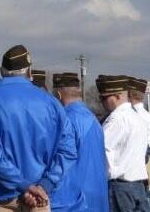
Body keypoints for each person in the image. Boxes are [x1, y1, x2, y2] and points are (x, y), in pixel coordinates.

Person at [0, 45, 77, 212]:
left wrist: (22, 184)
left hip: (3, 199)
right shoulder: (51, 103)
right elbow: (68, 150)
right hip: (39, 198)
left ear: (1, 71)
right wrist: (45, 184)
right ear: (29, 72)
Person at [50, 73, 108, 212]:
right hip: (99, 198)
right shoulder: (94, 119)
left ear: (58, 95)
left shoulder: (65, 120)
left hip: (77, 201)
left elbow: (61, 162)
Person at [97, 75, 150, 212]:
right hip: (138, 186)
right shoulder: (138, 118)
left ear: (118, 96)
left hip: (120, 188)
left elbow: (99, 150)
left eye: (104, 97)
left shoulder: (116, 119)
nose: (102, 102)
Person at [128, 77, 150, 189]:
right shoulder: (148, 116)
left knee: (145, 199)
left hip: (143, 163)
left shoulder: (133, 116)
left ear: (129, 95)